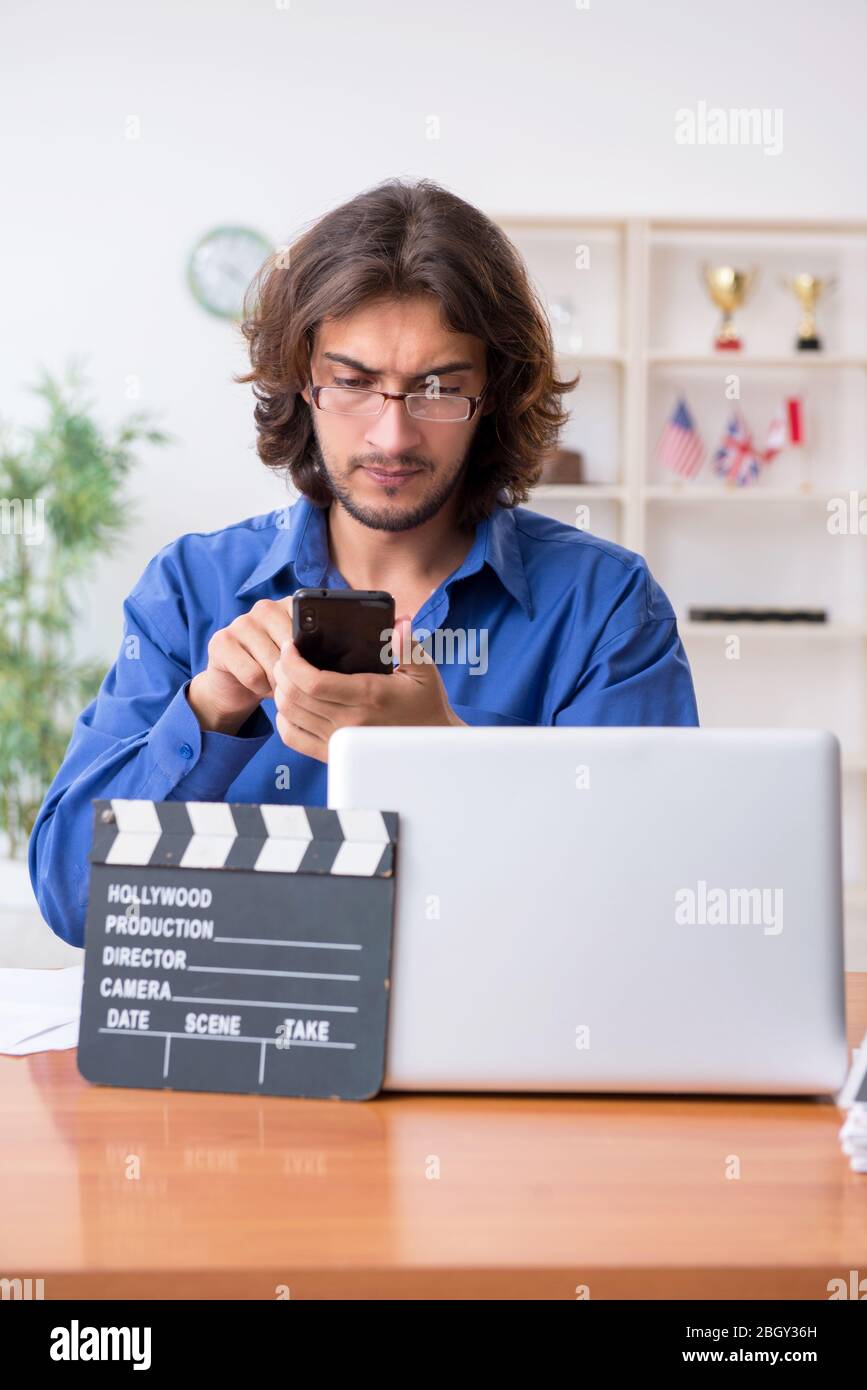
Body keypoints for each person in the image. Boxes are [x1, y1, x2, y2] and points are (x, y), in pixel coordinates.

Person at [29, 177, 699, 947]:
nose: (392, 437)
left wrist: (442, 756)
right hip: (238, 1051)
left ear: (497, 396)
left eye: (439, 387)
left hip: (499, 1056)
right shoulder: (190, 589)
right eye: (352, 383)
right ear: (302, 387)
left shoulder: (605, 605)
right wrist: (209, 713)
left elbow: (650, 910)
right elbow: (73, 904)